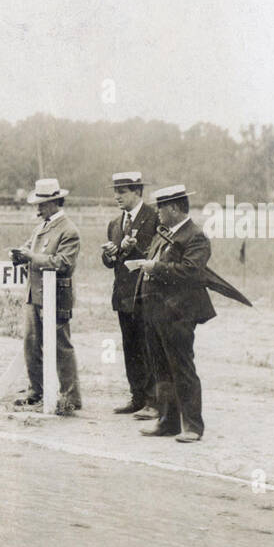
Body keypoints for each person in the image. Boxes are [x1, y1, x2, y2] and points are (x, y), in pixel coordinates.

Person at [134, 185, 215, 443]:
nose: (157, 212)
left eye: (161, 207)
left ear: (175, 208)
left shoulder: (196, 237)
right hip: (156, 311)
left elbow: (190, 271)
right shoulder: (163, 235)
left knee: (181, 367)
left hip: (179, 313)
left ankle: (192, 425)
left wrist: (155, 267)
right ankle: (167, 422)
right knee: (161, 368)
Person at [12, 178, 81, 411]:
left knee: (61, 346)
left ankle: (71, 396)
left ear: (55, 203)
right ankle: (36, 391)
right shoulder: (39, 227)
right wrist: (19, 256)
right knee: (31, 344)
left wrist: (31, 257)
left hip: (56, 296)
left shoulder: (69, 230)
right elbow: (29, 250)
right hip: (34, 294)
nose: (38, 209)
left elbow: (64, 263)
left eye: (42, 204)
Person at [100, 171, 159, 416]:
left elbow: (160, 252)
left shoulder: (155, 218)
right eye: (115, 191)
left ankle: (154, 401)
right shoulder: (115, 224)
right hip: (124, 294)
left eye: (122, 191)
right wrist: (111, 253)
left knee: (149, 347)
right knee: (130, 346)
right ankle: (137, 397)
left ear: (137, 192)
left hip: (147, 294)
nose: (117, 196)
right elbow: (109, 262)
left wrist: (138, 248)